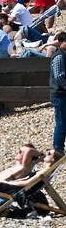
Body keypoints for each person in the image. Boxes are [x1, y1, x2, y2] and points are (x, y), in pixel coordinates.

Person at [50, 32, 66, 161]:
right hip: (60, 95)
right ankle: (58, 148)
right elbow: (59, 76)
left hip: (63, 93)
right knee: (61, 122)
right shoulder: (59, 57)